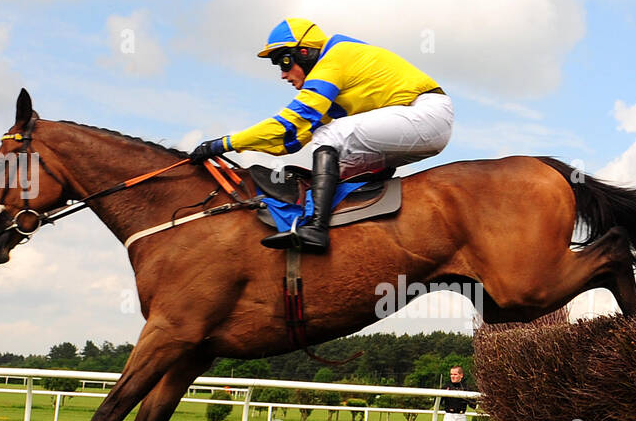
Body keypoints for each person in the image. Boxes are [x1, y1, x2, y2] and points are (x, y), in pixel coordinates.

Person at [189, 18, 454, 253]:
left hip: (427, 116)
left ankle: (316, 228)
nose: (282, 74)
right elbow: (293, 139)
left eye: (282, 62)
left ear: (303, 53)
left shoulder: (333, 61)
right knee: (334, 162)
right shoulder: (337, 75)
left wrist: (223, 144)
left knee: (329, 135)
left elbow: (289, 124)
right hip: (416, 125)